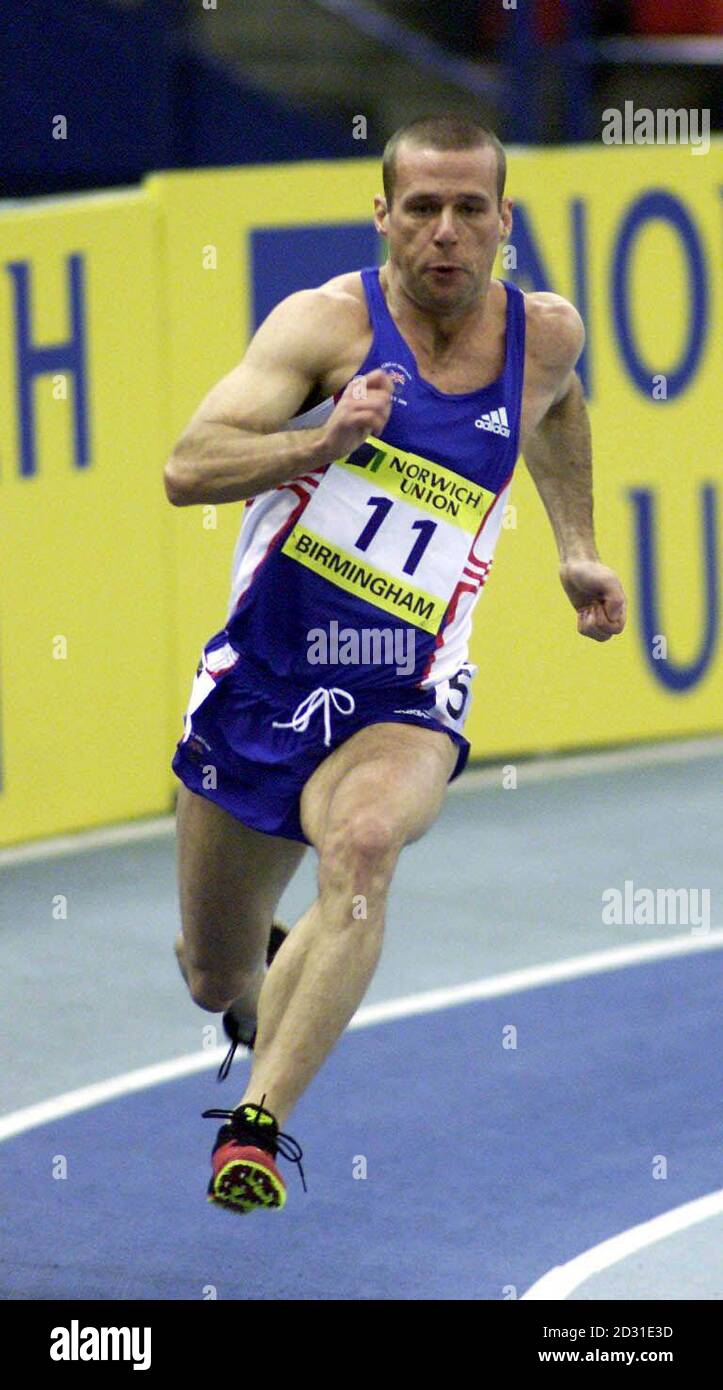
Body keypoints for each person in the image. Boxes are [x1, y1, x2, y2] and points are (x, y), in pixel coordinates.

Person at [165, 114, 627, 1214]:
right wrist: (316, 442)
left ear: (505, 222)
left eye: (472, 209)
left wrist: (576, 546)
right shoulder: (323, 327)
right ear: (383, 215)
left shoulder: (545, 336)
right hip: (261, 682)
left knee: (365, 847)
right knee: (214, 975)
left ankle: (256, 1130)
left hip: (405, 690)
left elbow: (556, 417)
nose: (447, 233)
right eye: (422, 207)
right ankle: (261, 982)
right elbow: (187, 468)